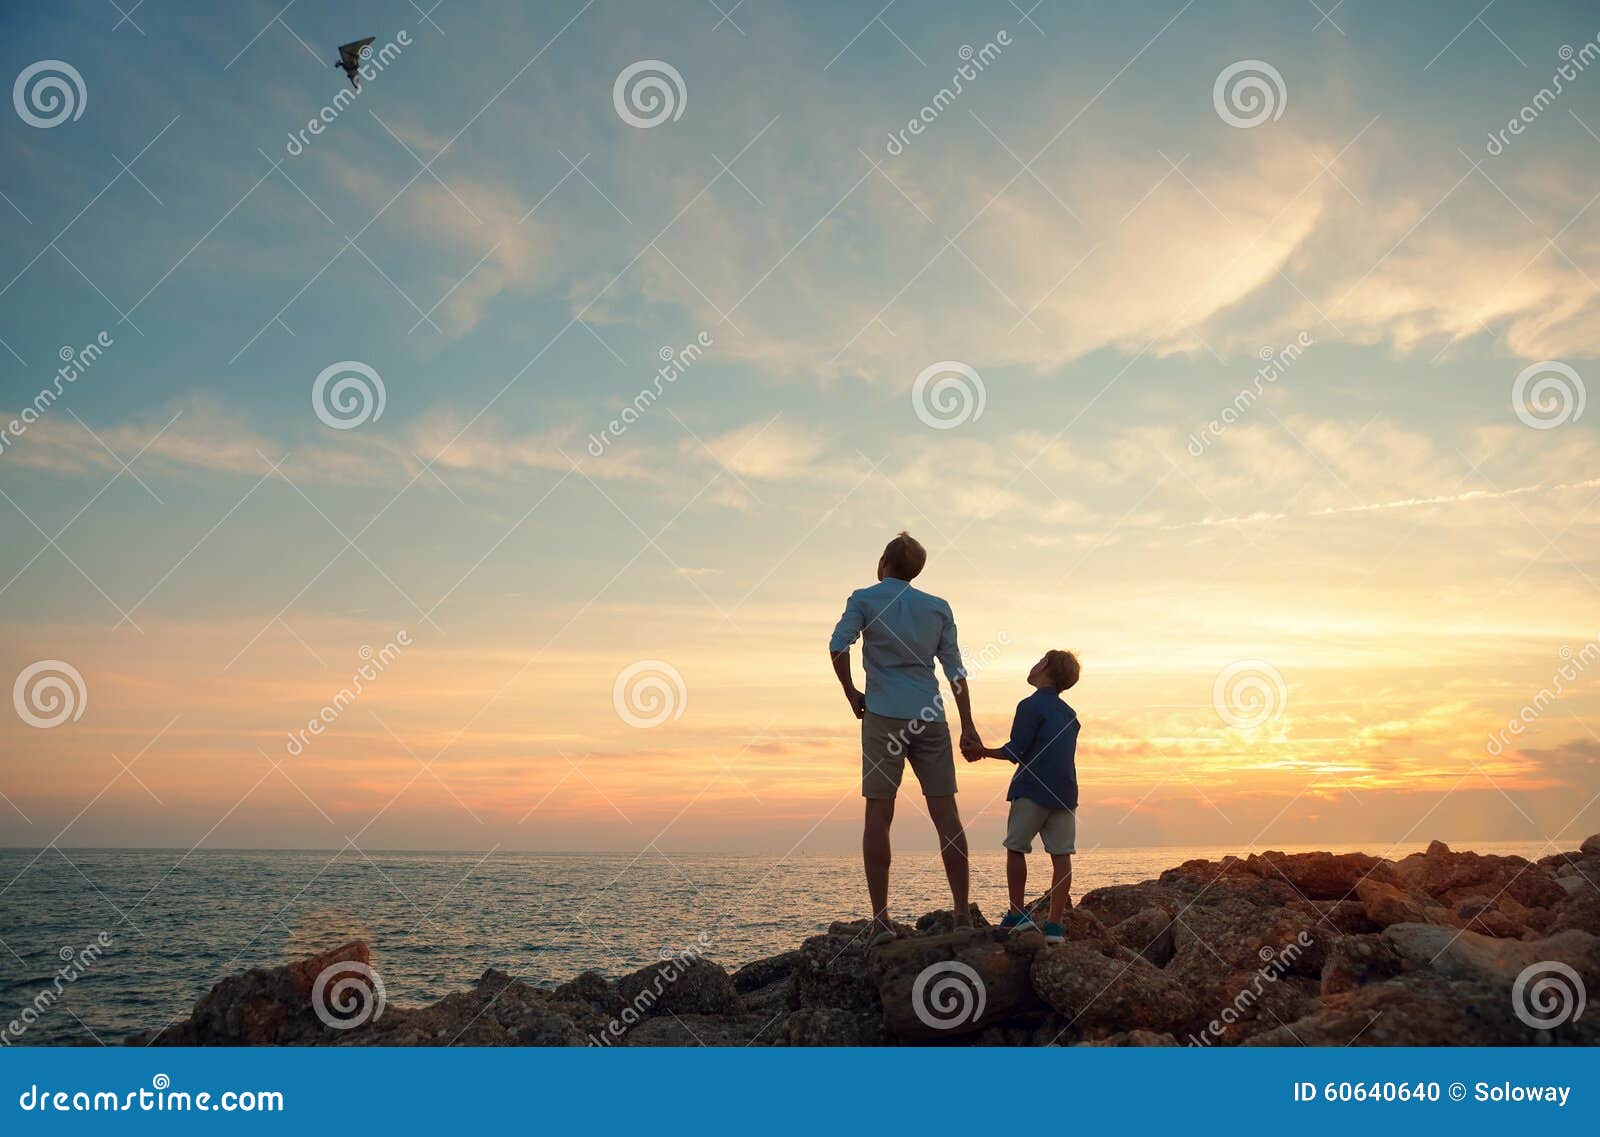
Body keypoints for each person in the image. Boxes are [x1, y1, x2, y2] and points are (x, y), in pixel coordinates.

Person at [829, 532, 980, 944]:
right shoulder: (937, 607)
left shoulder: (864, 598)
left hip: (883, 715)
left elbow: (838, 646)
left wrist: (851, 693)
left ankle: (881, 921)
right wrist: (967, 724)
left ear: (883, 561)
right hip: (930, 715)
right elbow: (955, 671)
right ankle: (962, 915)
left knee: (879, 816)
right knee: (946, 813)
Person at [965, 650, 1081, 945]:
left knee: (1016, 848)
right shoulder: (1070, 715)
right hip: (1065, 793)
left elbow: (1015, 751)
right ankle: (1054, 927)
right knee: (1062, 857)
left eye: (1039, 660)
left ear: (1044, 665)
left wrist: (981, 751)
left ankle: (1018, 914)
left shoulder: (1030, 705)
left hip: (1031, 789)